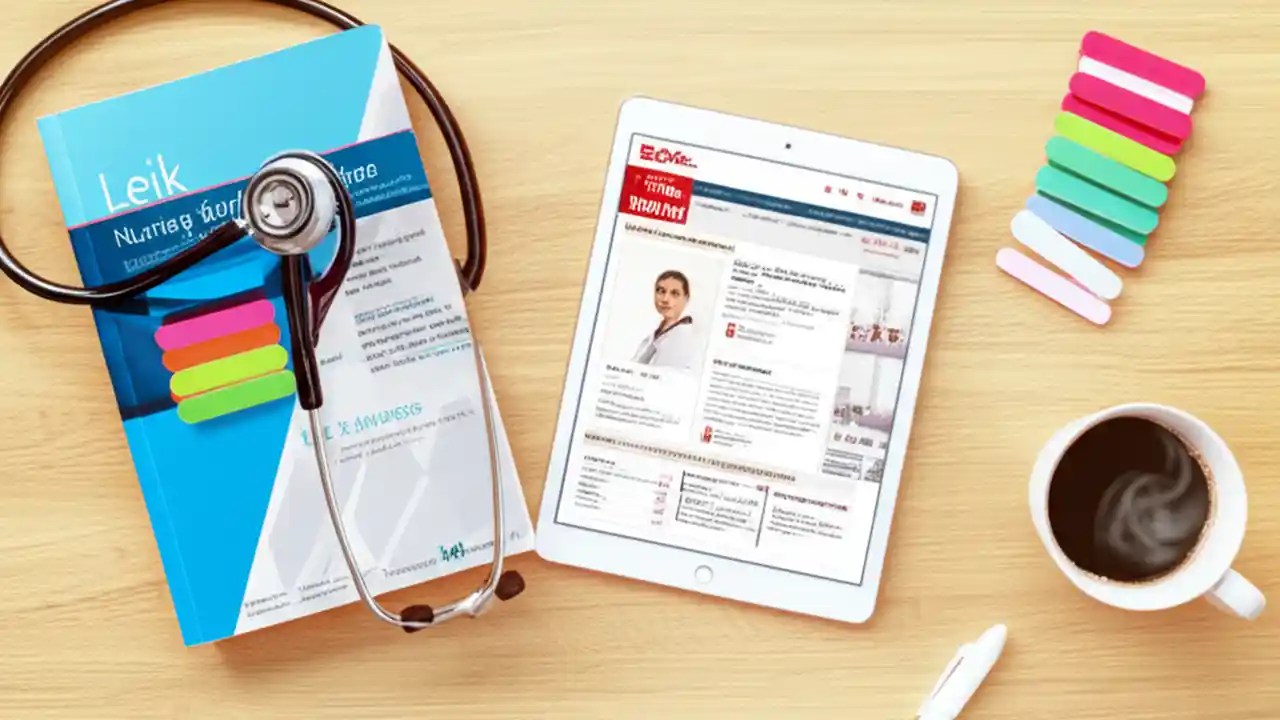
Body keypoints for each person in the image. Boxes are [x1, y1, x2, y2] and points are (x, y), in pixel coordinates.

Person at [632, 270, 699, 370]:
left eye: (675, 293)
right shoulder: (654, 335)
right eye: (661, 291)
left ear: (686, 298)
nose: (665, 299)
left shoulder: (683, 337)